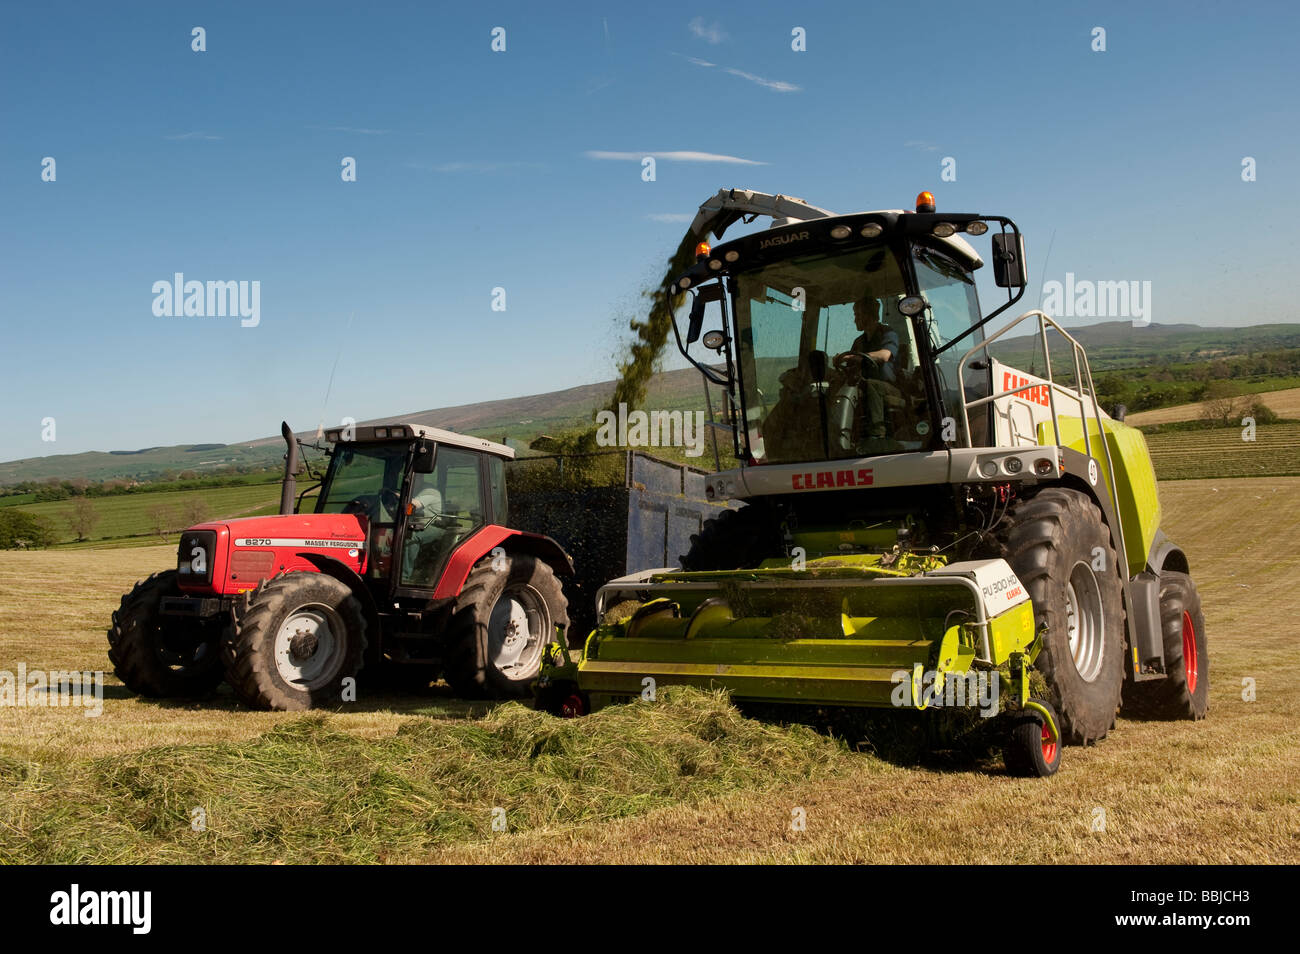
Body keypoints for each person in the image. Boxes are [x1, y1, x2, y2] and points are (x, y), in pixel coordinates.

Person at [835, 297, 901, 441]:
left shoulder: (888, 333)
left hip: (890, 387)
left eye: (857, 315)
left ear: (869, 314)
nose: (855, 320)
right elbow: (851, 366)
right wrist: (840, 361)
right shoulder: (859, 341)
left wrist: (854, 357)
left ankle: (877, 435)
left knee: (872, 385)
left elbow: (885, 355)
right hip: (864, 384)